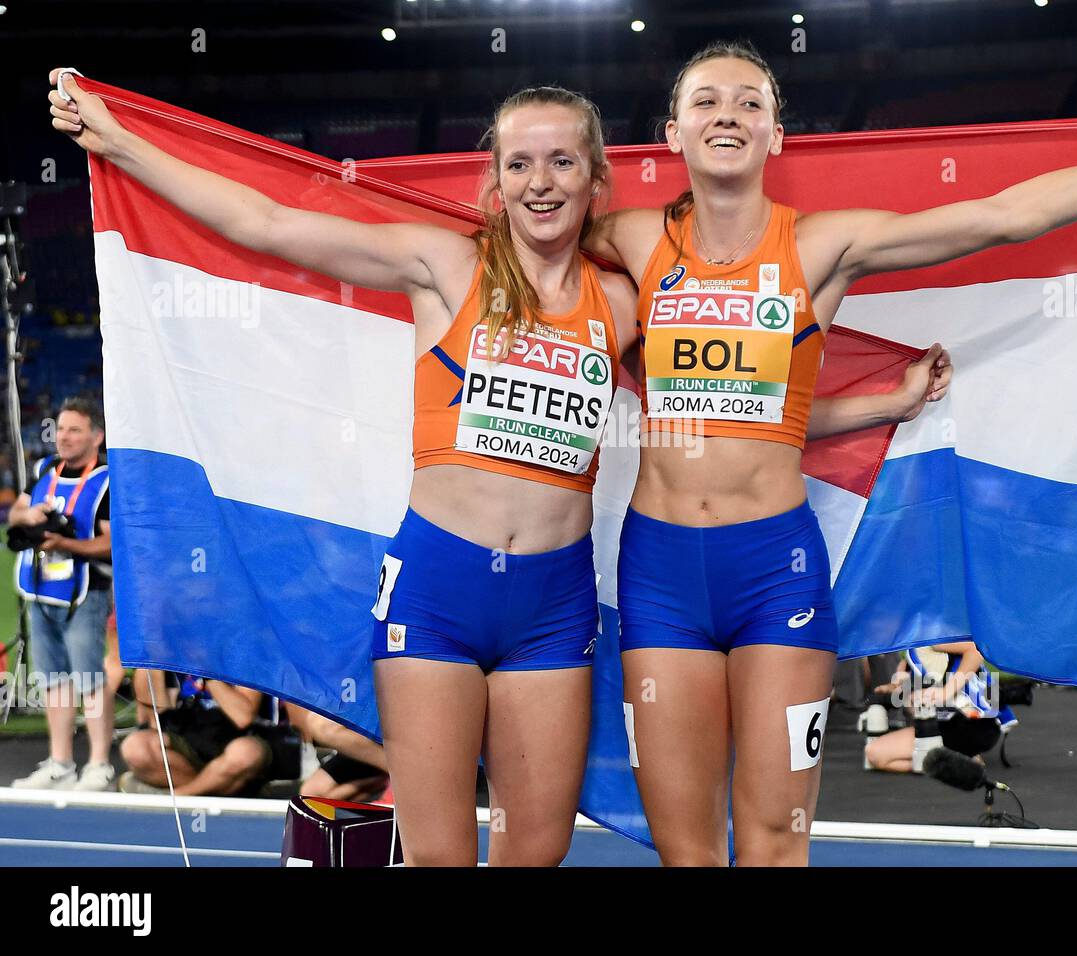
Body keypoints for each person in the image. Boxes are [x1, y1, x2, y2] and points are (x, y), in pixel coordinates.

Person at [50, 71, 945, 862]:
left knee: (535, 849)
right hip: (437, 591)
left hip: (551, 610)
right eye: (519, 163)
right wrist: (121, 141)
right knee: (439, 853)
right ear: (496, 181)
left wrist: (880, 405)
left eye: (561, 163)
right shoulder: (441, 265)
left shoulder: (627, 304)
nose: (540, 181)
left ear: (595, 181)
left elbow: (732, 410)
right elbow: (270, 222)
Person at [585, 39, 1077, 865]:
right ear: (673, 133)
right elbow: (511, 218)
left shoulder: (823, 246)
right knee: (685, 849)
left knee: (774, 842)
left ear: (777, 137)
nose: (728, 113)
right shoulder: (628, 238)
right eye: (708, 101)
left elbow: (1004, 218)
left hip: (776, 576)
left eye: (750, 102)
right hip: (659, 575)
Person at [8, 398, 116, 792]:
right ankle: (61, 762)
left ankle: (100, 764)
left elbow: (111, 543)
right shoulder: (44, 470)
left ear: (96, 436)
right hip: (41, 589)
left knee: (90, 678)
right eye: (60, 429)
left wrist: (68, 545)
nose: (64, 437)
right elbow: (17, 511)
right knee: (53, 679)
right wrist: (31, 518)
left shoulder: (105, 479)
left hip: (84, 592)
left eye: (74, 430)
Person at [119, 675, 300, 796]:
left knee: (244, 754)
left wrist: (206, 671)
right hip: (195, 736)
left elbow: (243, 717)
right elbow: (155, 713)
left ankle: (177, 797)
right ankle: (216, 786)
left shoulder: (245, 648)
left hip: (245, 738)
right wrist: (148, 654)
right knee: (135, 747)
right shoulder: (176, 646)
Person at [864, 641, 1006, 773]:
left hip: (965, 725)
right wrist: (893, 688)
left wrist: (946, 692)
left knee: (875, 754)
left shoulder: (930, 635)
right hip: (970, 725)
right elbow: (924, 674)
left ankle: (953, 763)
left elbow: (975, 650)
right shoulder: (913, 645)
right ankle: (959, 756)